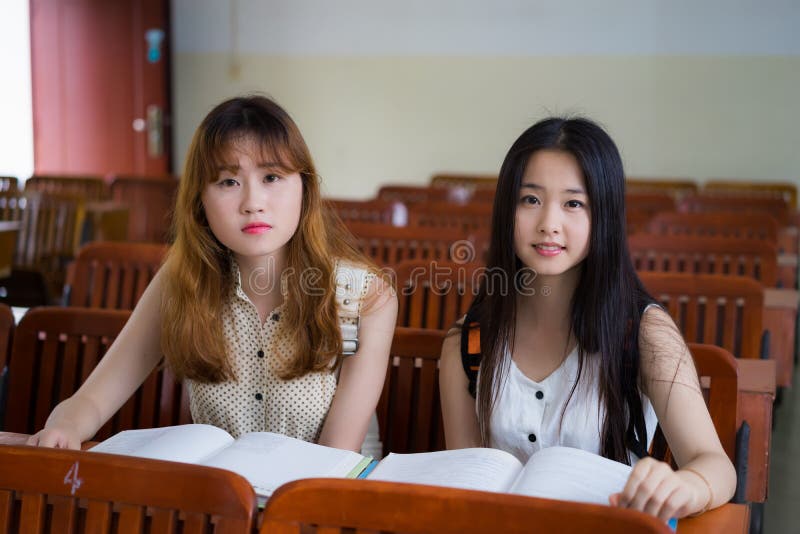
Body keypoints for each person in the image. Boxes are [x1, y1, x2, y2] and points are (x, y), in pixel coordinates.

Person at [28, 95, 397, 453]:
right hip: (223, 491)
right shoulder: (182, 282)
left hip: (326, 489)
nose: (253, 203)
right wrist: (66, 426)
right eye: (228, 182)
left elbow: (336, 455)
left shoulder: (363, 296)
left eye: (271, 177)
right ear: (200, 201)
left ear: (305, 188)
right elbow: (92, 400)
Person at [439, 117, 736, 521]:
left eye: (573, 204)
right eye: (530, 199)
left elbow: (715, 465)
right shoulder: (469, 340)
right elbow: (465, 481)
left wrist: (686, 485)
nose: (548, 224)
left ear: (604, 217)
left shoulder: (645, 333)